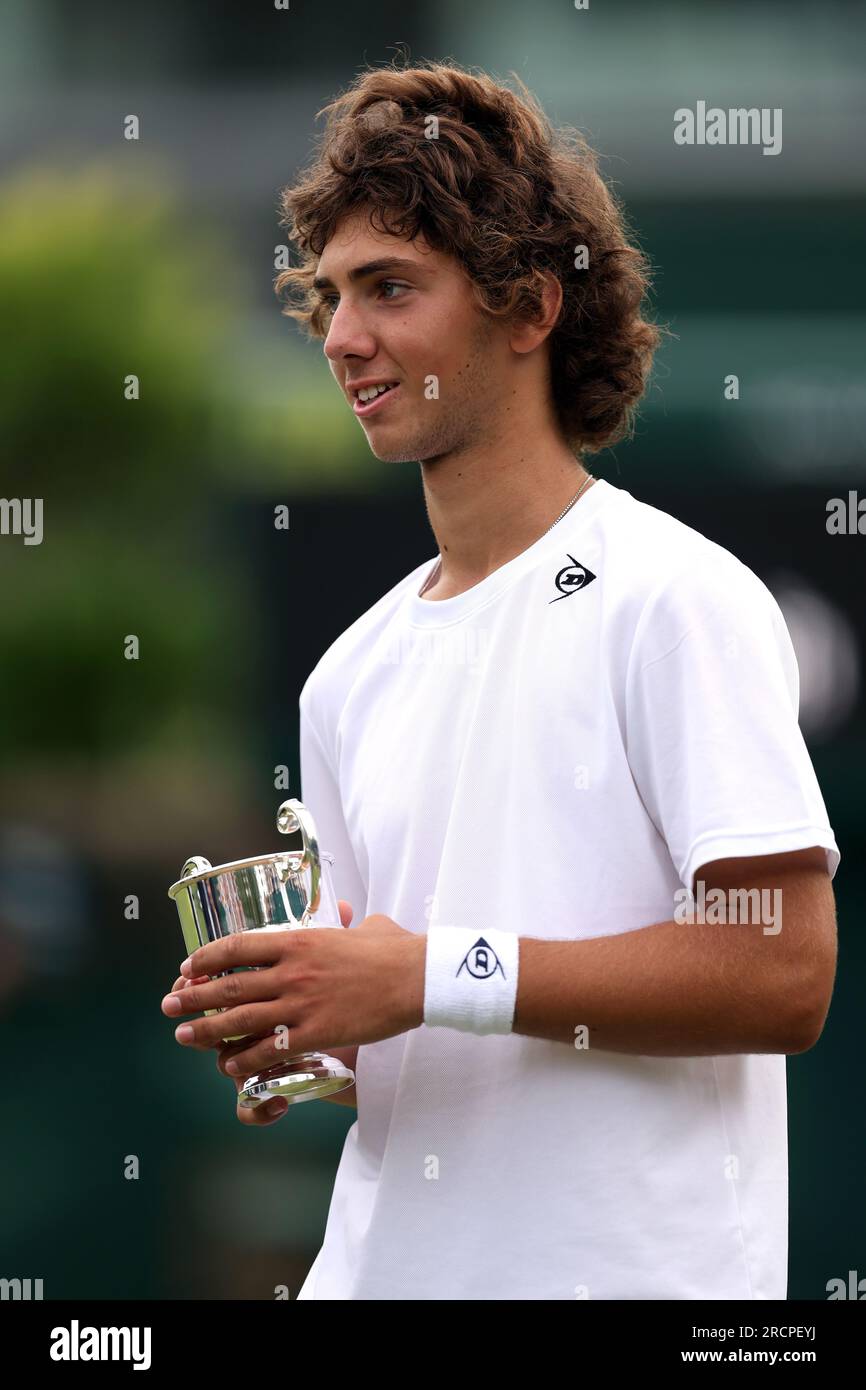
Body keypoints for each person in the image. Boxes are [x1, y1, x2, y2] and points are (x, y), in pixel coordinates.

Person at [162, 61, 839, 1300]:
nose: (344, 336)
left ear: (529, 308)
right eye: (326, 298)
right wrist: (304, 1017)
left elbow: (781, 972)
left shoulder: (675, 597)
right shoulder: (345, 674)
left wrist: (422, 972)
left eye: (388, 289)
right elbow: (399, 1019)